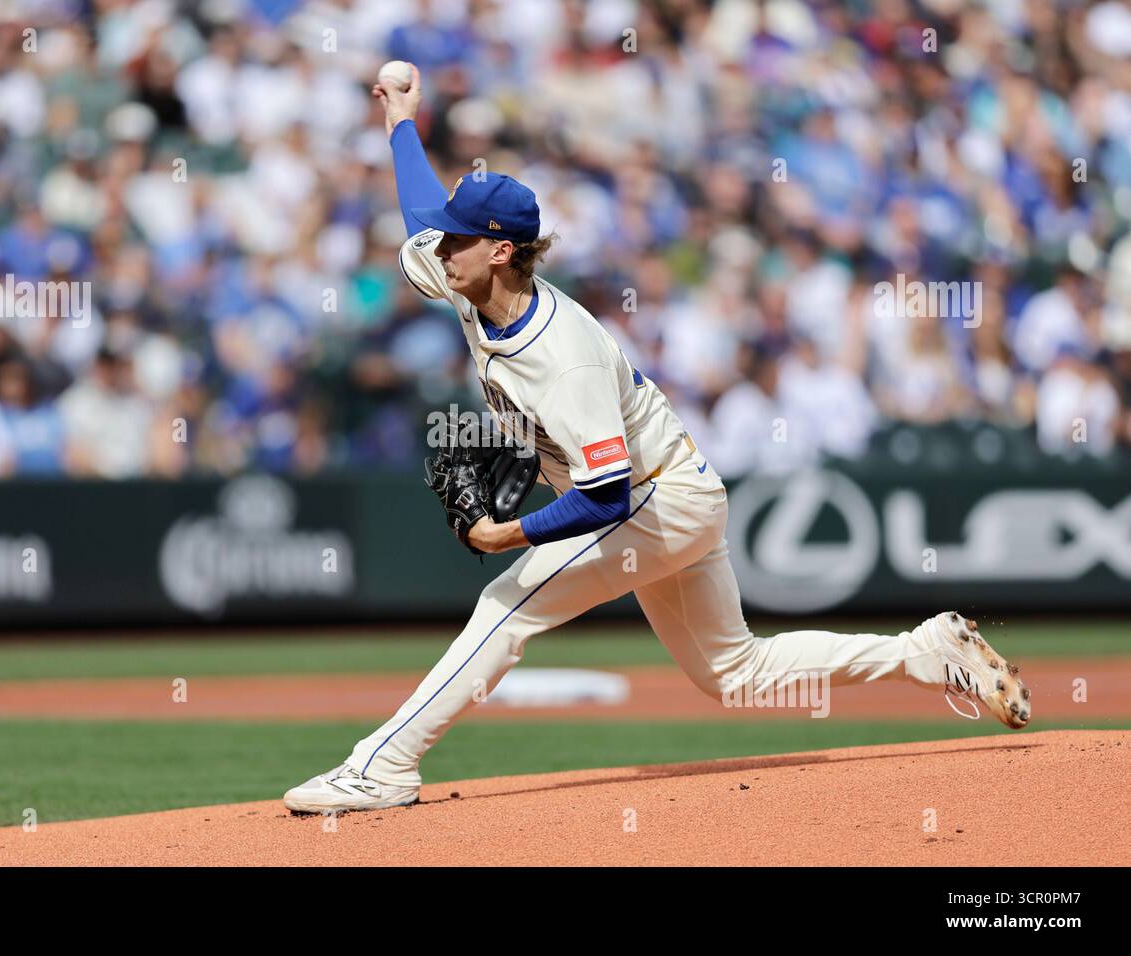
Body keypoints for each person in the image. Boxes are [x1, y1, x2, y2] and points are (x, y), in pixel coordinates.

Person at [282, 65, 1032, 814]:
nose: (440, 249)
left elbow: (606, 495)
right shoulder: (468, 277)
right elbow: (421, 214)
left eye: (459, 240)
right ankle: (923, 653)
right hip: (677, 490)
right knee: (734, 673)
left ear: (501, 250)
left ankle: (383, 765)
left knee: (509, 605)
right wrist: (401, 122)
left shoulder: (561, 353)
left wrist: (506, 533)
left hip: (650, 499)